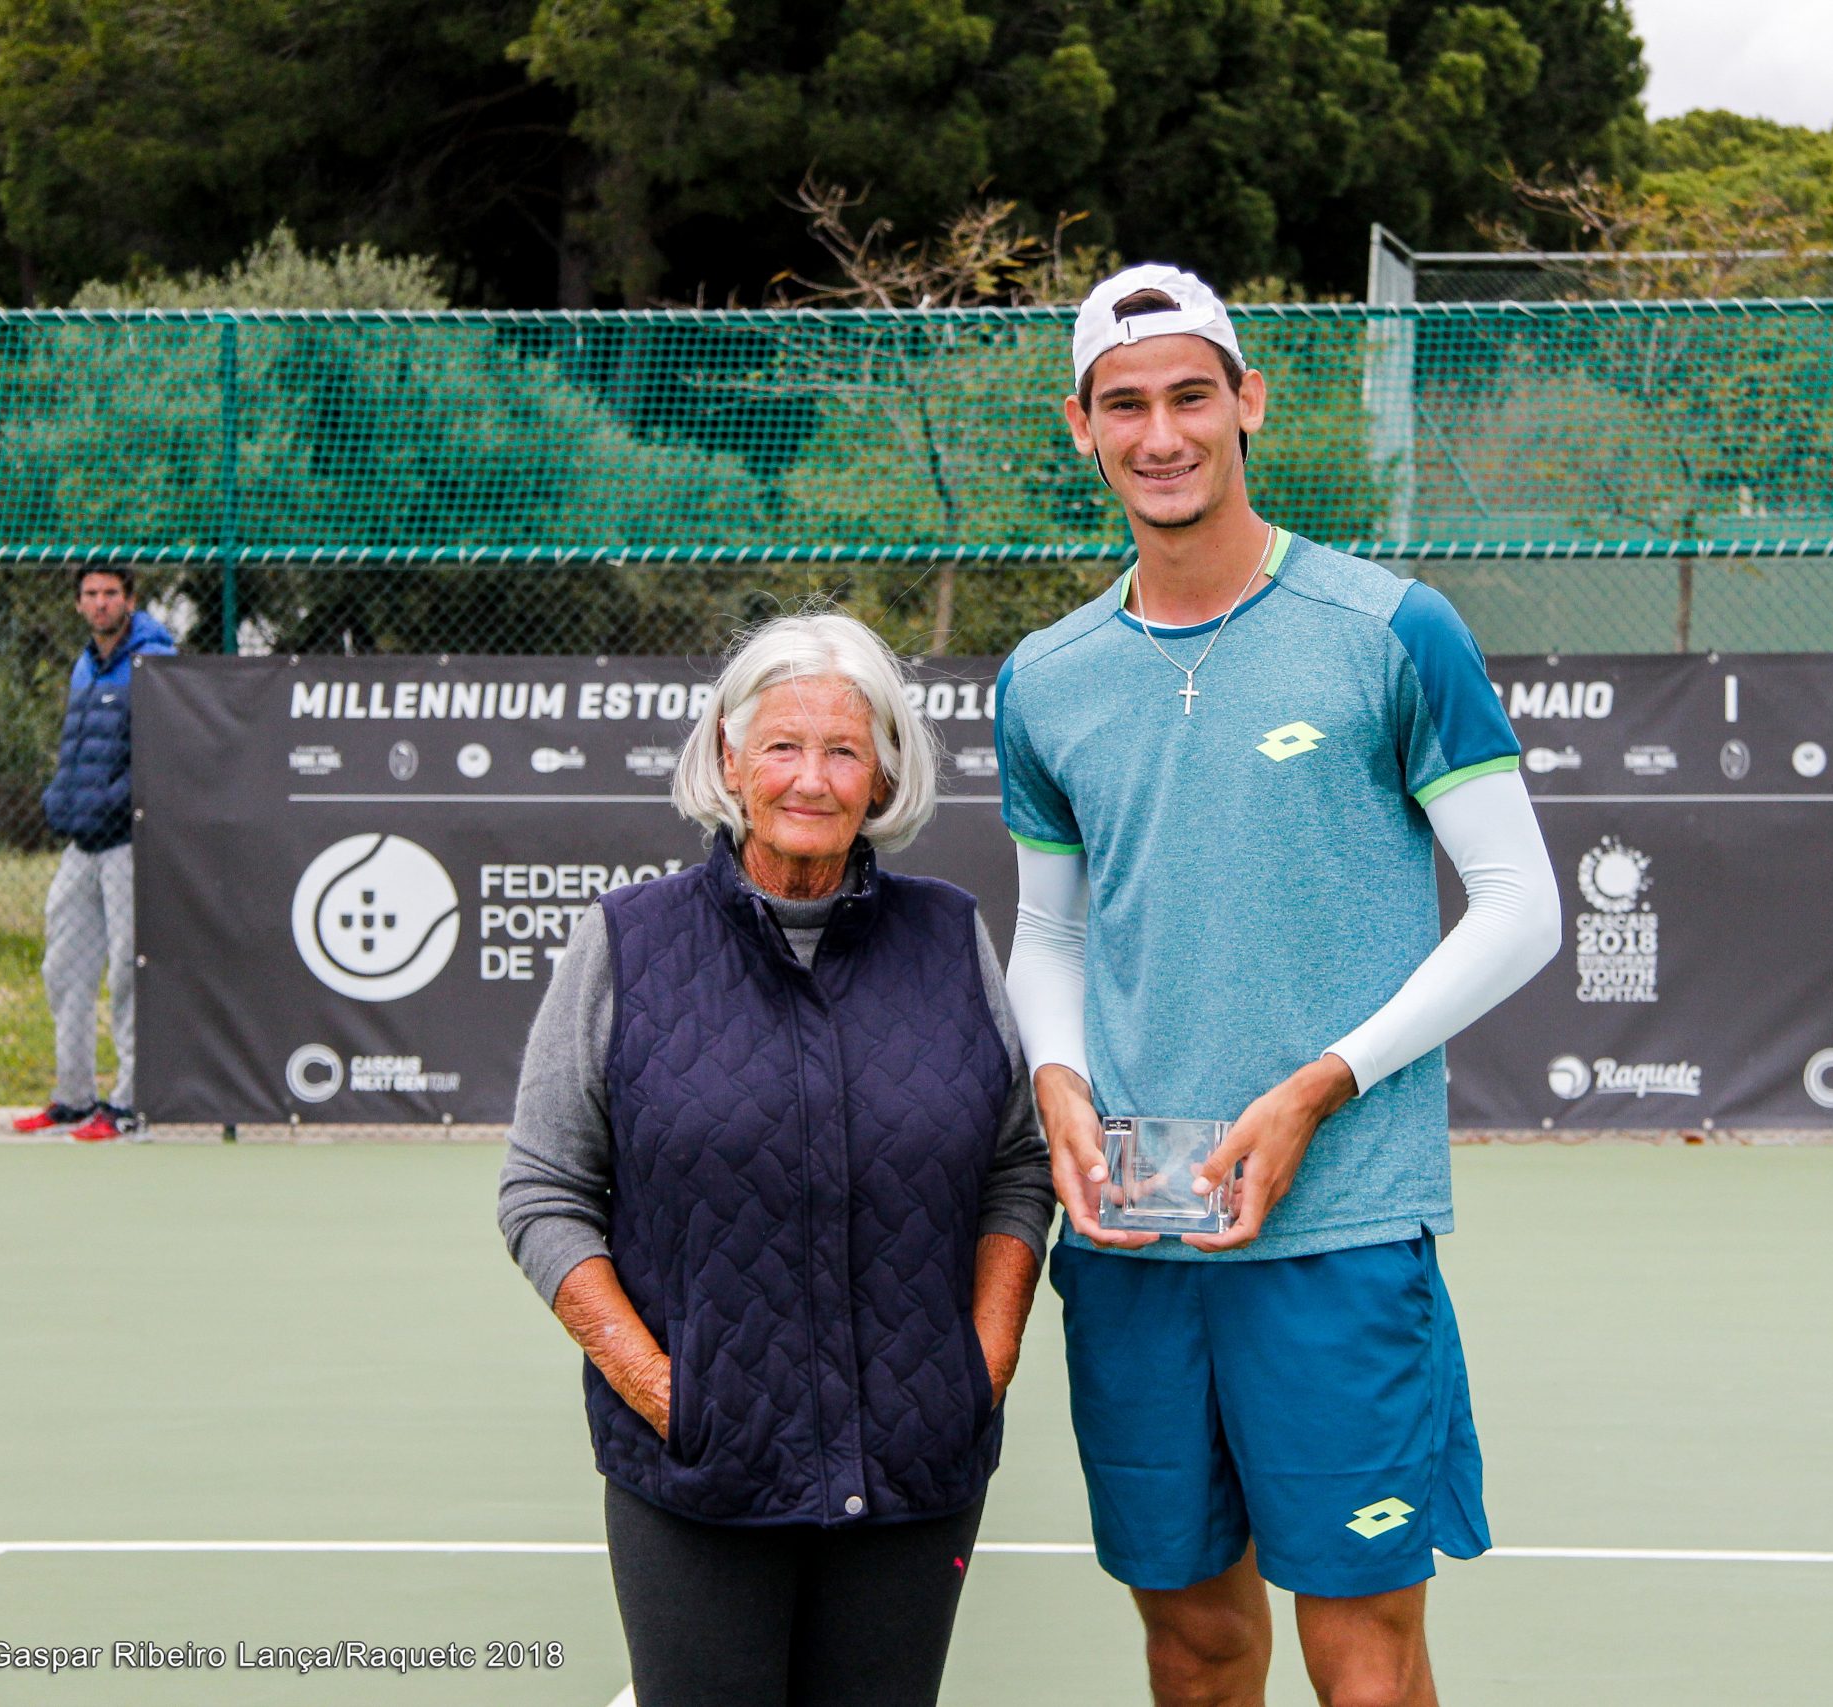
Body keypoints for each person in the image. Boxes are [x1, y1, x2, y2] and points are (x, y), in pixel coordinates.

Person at [995, 264, 1565, 1707]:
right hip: (1135, 1237)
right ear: (1082, 426)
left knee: (1364, 1661)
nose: (1163, 432)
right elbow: (1048, 935)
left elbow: (1521, 907)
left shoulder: (1391, 627)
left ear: (1248, 402)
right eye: (1126, 405)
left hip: (1343, 1227)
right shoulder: (1045, 677)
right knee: (1192, 1643)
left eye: (1192, 394)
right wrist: (1057, 1076)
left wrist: (1323, 1082)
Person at [497, 611, 1056, 1707]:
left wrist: (980, 1368)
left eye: (845, 750)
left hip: (916, 1470)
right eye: (784, 747)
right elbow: (544, 1192)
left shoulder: (950, 938)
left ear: (883, 775)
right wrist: (668, 1392)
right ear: (728, 760)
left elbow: (1016, 1170)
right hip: (697, 1471)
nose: (813, 778)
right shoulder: (625, 942)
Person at [15, 565, 175, 1142]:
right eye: (91, 594)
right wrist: (59, 799)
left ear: (130, 600)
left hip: (131, 844)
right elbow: (75, 748)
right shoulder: (85, 664)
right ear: (79, 604)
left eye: (111, 593)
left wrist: (110, 805)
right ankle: (74, 1098)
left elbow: (160, 755)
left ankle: (129, 1103)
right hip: (82, 846)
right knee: (63, 969)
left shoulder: (154, 660)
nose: (101, 602)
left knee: (131, 976)